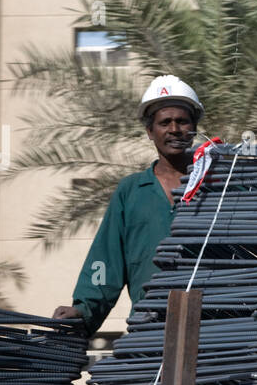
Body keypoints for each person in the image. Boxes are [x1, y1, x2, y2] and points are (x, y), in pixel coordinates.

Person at [53, 75, 204, 333]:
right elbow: (106, 258)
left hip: (219, 326)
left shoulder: (220, 183)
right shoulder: (131, 191)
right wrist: (84, 307)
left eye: (182, 121)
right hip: (150, 327)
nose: (174, 129)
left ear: (194, 128)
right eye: (164, 122)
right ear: (150, 131)